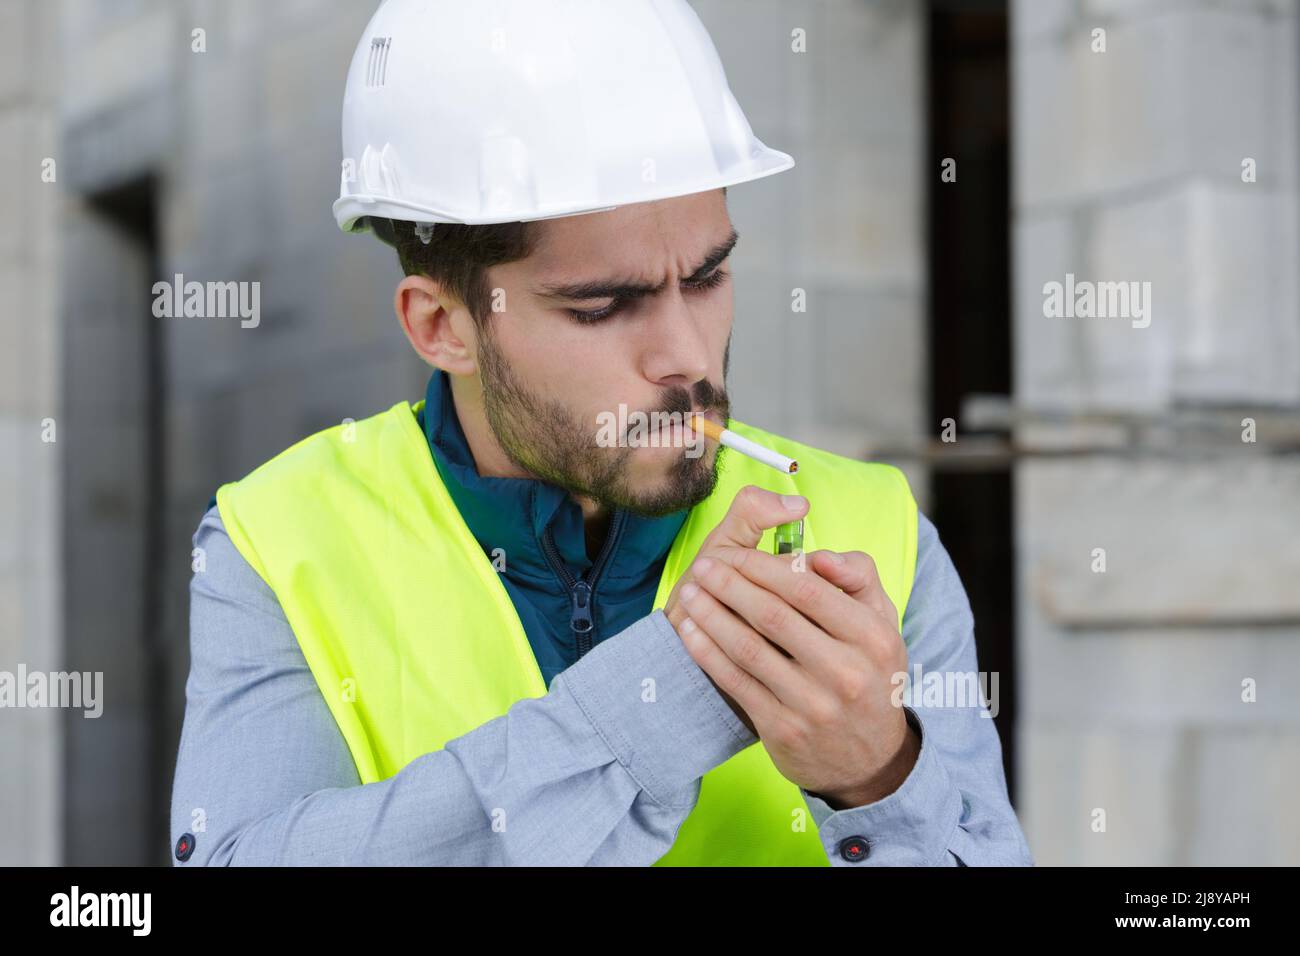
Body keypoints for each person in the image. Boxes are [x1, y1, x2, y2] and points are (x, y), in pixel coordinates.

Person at [169, 0, 1032, 866]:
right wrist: (663, 701)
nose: (688, 358)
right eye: (602, 306)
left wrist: (879, 779)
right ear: (442, 325)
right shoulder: (278, 542)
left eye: (707, 277)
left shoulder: (875, 533)